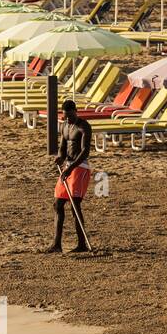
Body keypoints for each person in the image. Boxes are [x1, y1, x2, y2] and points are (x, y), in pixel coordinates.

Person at [50, 99, 93, 253]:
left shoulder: (84, 127)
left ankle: (82, 244)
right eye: (65, 116)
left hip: (80, 167)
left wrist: (71, 168)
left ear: (76, 111)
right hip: (67, 167)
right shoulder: (65, 126)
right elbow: (62, 148)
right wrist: (60, 158)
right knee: (58, 204)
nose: (67, 119)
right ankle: (57, 244)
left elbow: (84, 151)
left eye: (70, 115)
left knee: (75, 206)